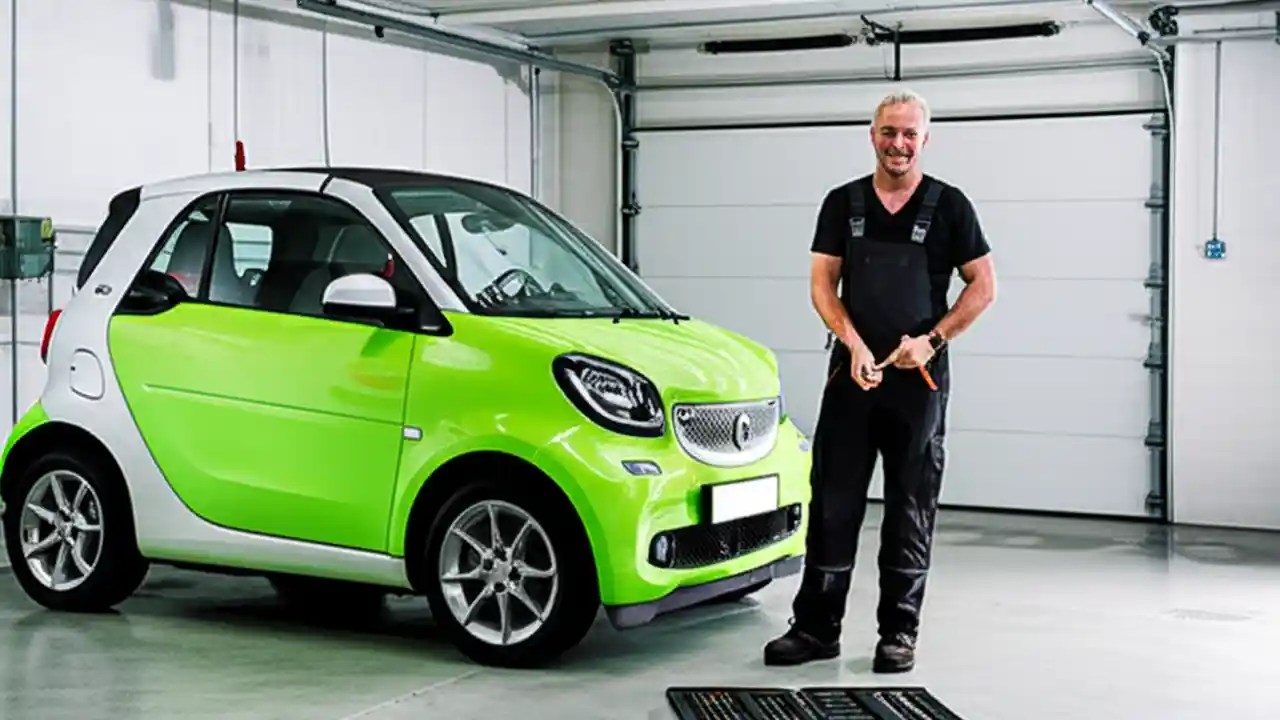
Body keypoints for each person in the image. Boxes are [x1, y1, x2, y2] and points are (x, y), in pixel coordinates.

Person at [763, 89, 997, 672]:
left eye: (909, 134)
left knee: (910, 507)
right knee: (834, 503)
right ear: (873, 134)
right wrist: (853, 342)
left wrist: (933, 340)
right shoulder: (842, 204)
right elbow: (823, 284)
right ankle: (816, 629)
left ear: (925, 140)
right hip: (853, 377)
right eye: (889, 132)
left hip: (918, 385)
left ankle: (899, 633)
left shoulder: (951, 207)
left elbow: (983, 286)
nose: (899, 144)